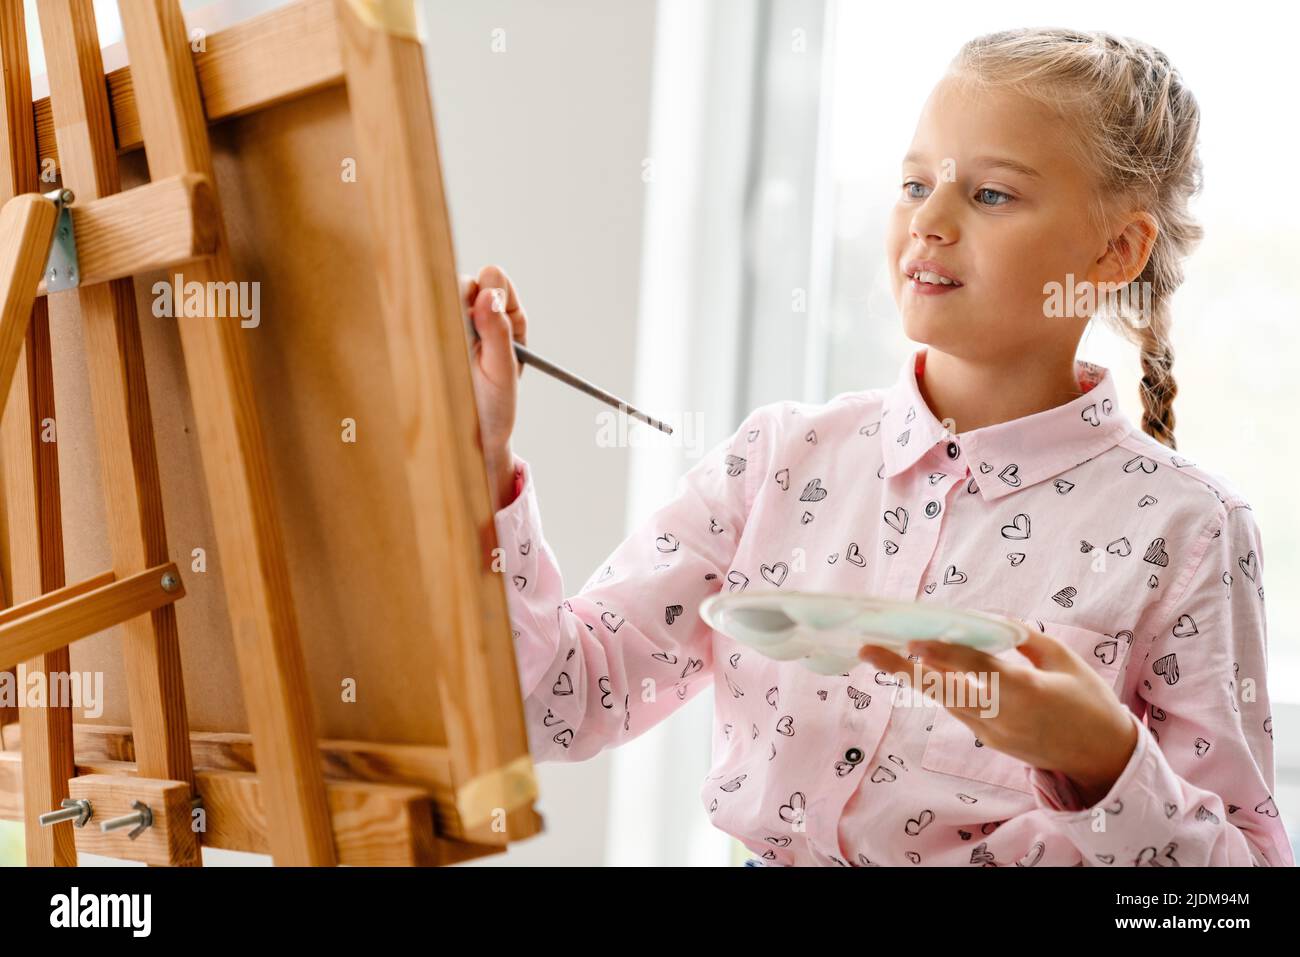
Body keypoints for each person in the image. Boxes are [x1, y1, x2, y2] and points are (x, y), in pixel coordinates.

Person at [463, 28, 1293, 867]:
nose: (928, 221)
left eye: (992, 195)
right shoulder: (778, 460)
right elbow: (554, 704)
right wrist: (486, 458)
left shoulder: (1190, 531)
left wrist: (1103, 761)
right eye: (915, 183)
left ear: (1116, 250)